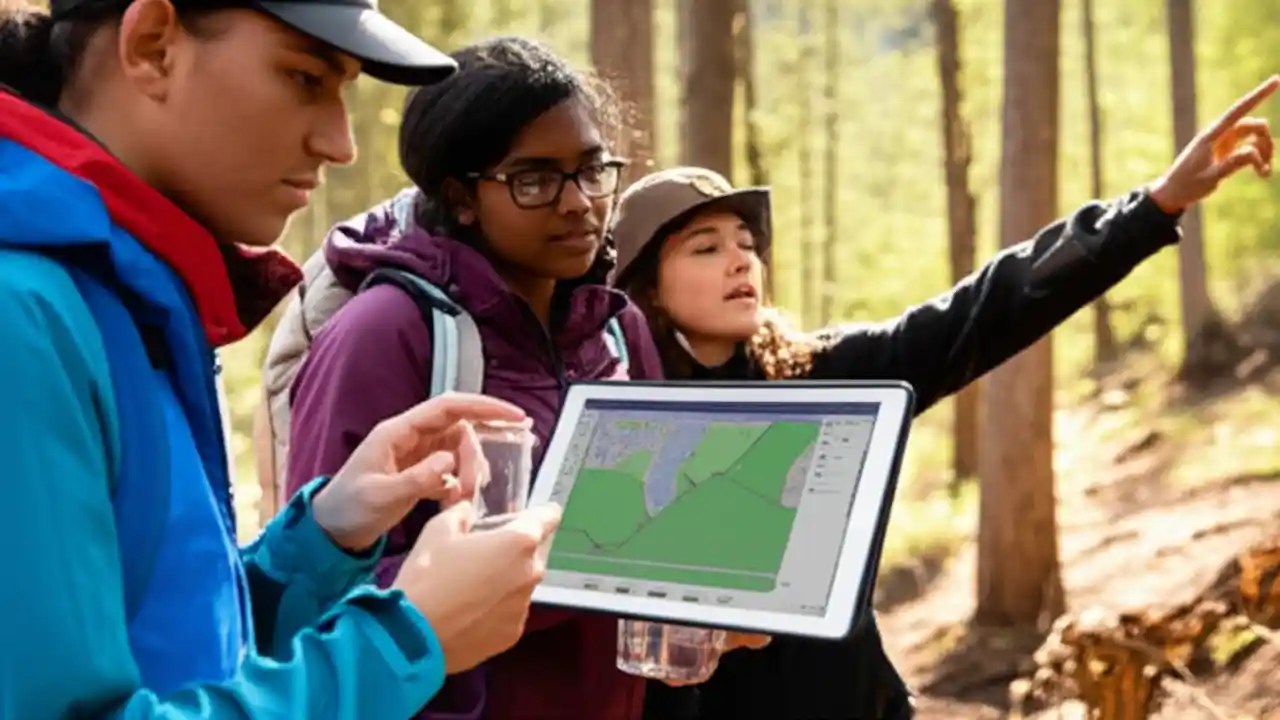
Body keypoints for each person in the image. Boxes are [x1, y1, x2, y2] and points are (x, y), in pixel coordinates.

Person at [610, 76, 1279, 720]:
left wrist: (1153, 206)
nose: (740, 261)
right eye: (706, 247)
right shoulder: (622, 431)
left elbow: (986, 307)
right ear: (647, 290)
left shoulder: (822, 377)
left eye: (746, 243)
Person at [0, 1, 564, 717]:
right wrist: (401, 641)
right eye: (304, 78)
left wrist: (323, 540)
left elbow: (168, 650)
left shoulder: (123, 293)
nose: (341, 143)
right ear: (151, 46)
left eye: (346, 91)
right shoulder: (23, 314)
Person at [282, 37, 665, 720]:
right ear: (460, 196)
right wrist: (517, 575)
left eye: (592, 169)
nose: (579, 204)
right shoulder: (389, 334)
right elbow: (322, 592)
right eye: (535, 180)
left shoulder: (617, 330)